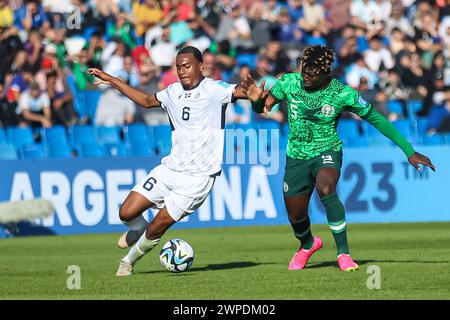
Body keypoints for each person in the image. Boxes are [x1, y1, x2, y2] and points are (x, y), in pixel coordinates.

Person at [248, 45, 436, 272]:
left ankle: (343, 254)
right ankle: (308, 244)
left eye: (313, 72)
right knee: (296, 216)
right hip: (296, 156)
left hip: (327, 150)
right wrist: (256, 101)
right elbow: (264, 106)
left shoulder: (342, 93)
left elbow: (377, 119)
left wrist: (409, 150)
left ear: (326, 73)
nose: (306, 76)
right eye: (305, 69)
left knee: (326, 188)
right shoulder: (289, 82)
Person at [88, 46, 258, 276]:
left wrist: (253, 93)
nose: (182, 71)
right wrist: (112, 80)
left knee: (160, 222)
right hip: (170, 169)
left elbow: (241, 92)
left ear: (200, 66)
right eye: (178, 67)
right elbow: (147, 100)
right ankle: (138, 228)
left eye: (186, 66)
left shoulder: (214, 89)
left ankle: (127, 262)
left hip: (198, 177)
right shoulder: (172, 92)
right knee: (126, 213)